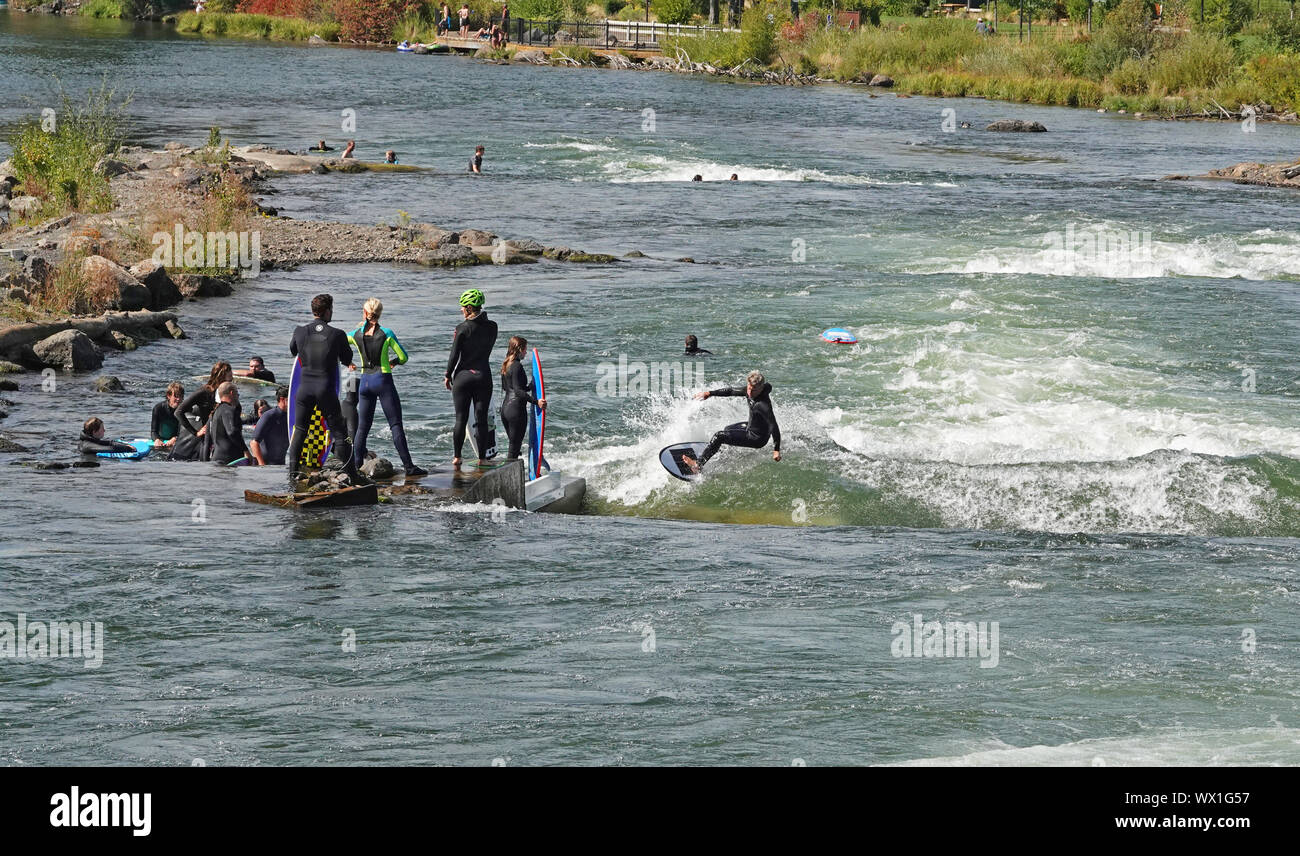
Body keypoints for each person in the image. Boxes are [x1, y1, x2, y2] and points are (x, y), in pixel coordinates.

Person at [287, 293, 366, 483]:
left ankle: (292, 472)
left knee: (300, 429)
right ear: (327, 311)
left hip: (304, 388)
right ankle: (351, 473)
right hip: (325, 388)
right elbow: (347, 359)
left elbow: (293, 351)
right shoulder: (337, 334)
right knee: (339, 431)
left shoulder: (299, 331)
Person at [347, 298, 427, 477]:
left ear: (365, 313)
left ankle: (355, 467)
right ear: (379, 313)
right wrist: (395, 362)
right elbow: (404, 357)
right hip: (382, 381)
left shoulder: (355, 334)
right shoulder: (387, 333)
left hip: (365, 382)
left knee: (362, 427)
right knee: (395, 424)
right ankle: (409, 467)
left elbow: (339, 344)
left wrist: (348, 362)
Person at [681, 371, 782, 473]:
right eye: (749, 388)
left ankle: (697, 465)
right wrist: (709, 393)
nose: (750, 393)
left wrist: (776, 450)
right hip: (752, 426)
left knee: (719, 436)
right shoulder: (752, 390)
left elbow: (773, 426)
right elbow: (730, 391)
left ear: (761, 388)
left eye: (754, 390)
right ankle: (719, 449)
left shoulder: (763, 405)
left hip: (757, 438)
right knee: (728, 429)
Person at [445, 288, 498, 467]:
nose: (461, 310)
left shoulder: (461, 329)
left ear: (468, 308)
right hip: (483, 376)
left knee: (461, 418)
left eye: (462, 307)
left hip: (463, 377)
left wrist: (447, 375)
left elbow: (454, 355)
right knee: (481, 419)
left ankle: (457, 457)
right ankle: (482, 458)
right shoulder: (493, 326)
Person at [175, 360, 232, 462]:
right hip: (208, 439)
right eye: (229, 379)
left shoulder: (229, 393)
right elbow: (179, 412)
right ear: (220, 378)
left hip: (224, 437)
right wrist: (195, 432)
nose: (231, 382)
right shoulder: (204, 392)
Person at [498, 335, 544, 461]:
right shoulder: (517, 366)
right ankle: (510, 479)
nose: (526, 352)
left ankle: (511, 476)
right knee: (513, 451)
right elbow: (518, 391)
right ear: (519, 349)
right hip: (516, 412)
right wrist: (536, 402)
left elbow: (508, 388)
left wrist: (529, 387)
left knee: (513, 448)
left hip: (505, 410)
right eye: (525, 349)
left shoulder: (506, 365)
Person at [210, 382, 251, 466]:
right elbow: (232, 432)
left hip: (217, 458)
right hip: (228, 460)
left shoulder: (217, 411)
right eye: (237, 393)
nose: (238, 396)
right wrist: (246, 451)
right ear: (232, 393)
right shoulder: (228, 410)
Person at [250, 387, 290, 466]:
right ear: (282, 399)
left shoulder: (291, 417)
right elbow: (253, 443)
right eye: (292, 398)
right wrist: (262, 465)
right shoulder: (269, 416)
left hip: (281, 465)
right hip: (264, 465)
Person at [151, 382, 184, 449]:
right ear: (168, 396)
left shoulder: (184, 410)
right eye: (176, 396)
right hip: (161, 441)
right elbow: (153, 431)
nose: (178, 399)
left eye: (180, 396)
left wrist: (175, 438)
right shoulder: (158, 408)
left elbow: (184, 431)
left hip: (177, 441)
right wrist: (157, 440)